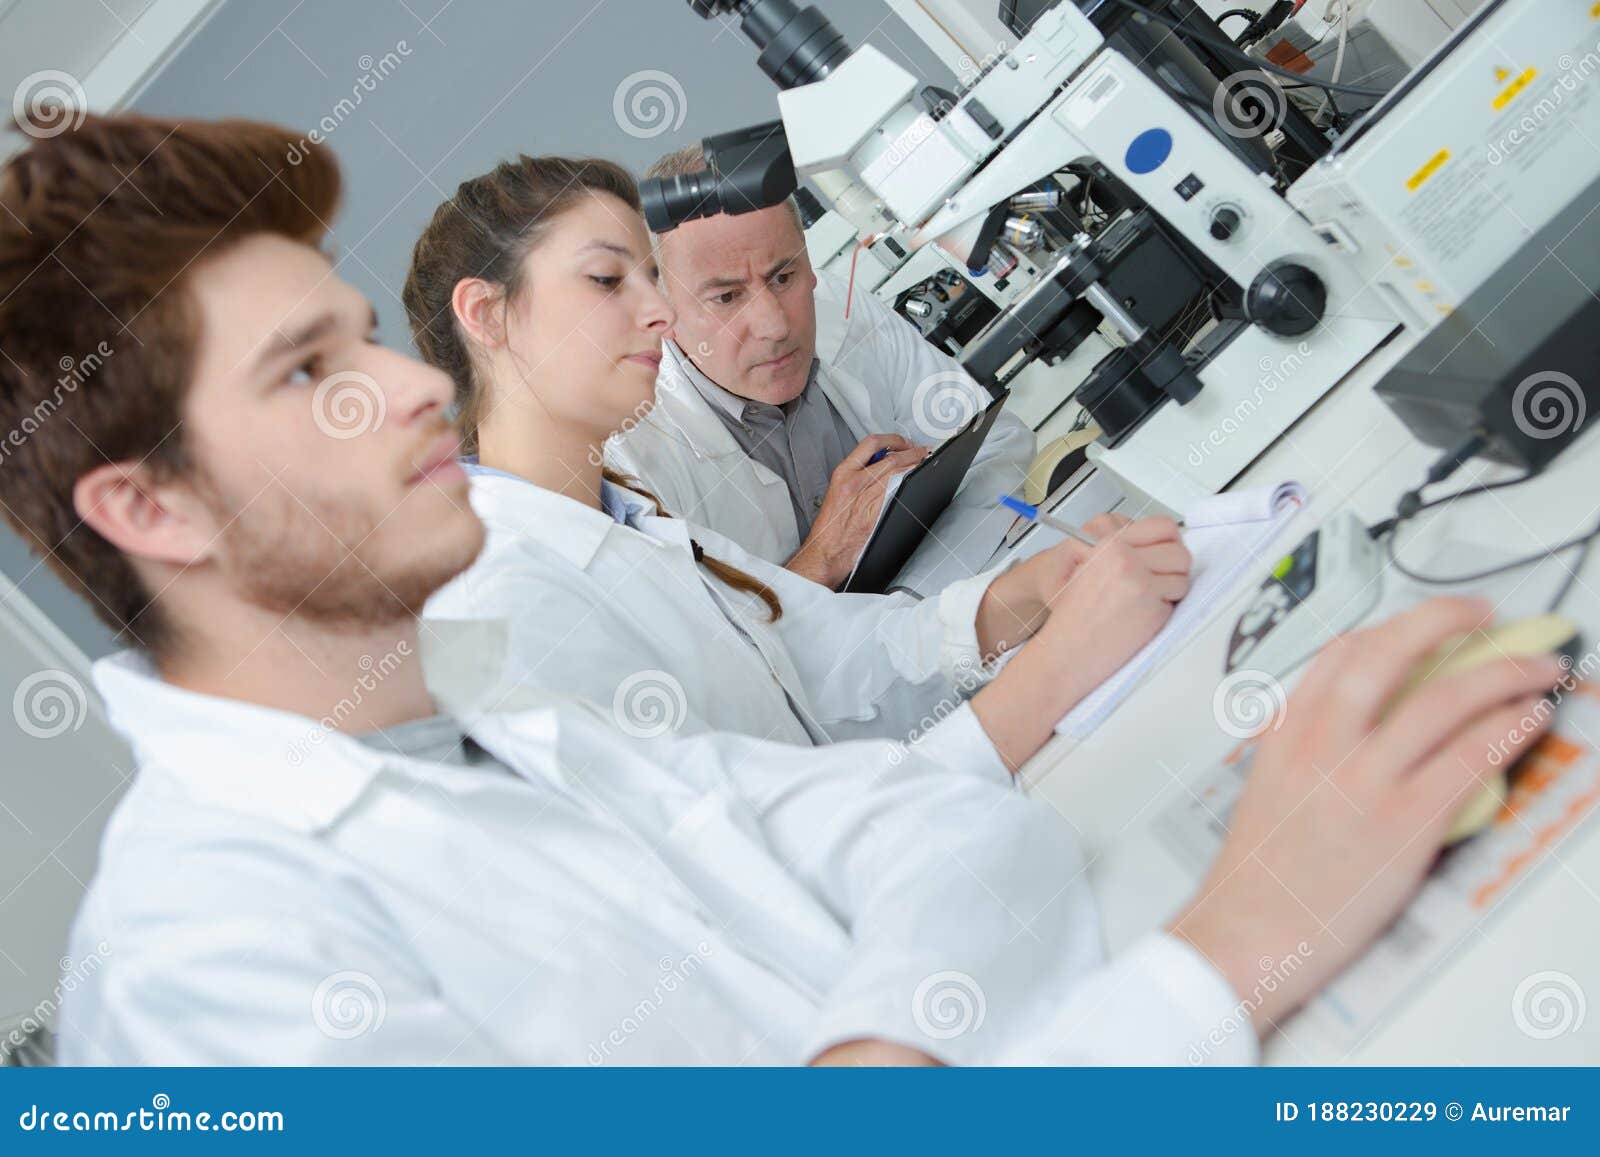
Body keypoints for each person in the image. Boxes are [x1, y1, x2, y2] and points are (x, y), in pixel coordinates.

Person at [0, 114, 1560, 1066]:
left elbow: (934, 831)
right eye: (310, 374)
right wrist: (1239, 944)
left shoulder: (486, 735)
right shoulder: (215, 965)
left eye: (362, 338)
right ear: (150, 507)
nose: (408, 394)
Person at [403, 153, 1185, 763]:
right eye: (608, 279)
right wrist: (1053, 676)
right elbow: (756, 837)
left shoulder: (630, 517)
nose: (658, 311)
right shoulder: (500, 598)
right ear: (488, 315)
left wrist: (1031, 590)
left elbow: (828, 653)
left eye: (649, 276)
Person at [605, 143, 1036, 590]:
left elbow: (995, 445)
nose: (774, 325)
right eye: (726, 297)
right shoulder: (638, 448)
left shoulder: (837, 306)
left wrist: (922, 596)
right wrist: (824, 557)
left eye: (783, 276)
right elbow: (717, 650)